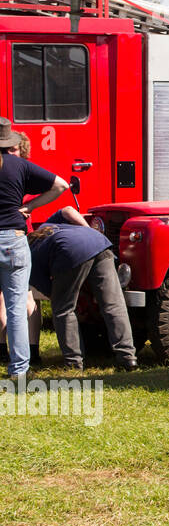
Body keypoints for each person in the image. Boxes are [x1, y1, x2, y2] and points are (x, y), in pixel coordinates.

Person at [27, 215, 138, 371]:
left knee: (62, 309)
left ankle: (74, 362)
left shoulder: (29, 257)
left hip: (71, 250)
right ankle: (128, 357)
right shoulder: (46, 227)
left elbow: (52, 294)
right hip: (99, 242)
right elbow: (67, 210)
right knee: (113, 305)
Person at [0, 118, 66, 377]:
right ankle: (19, 370)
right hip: (13, 240)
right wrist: (30, 206)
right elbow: (61, 185)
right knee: (16, 307)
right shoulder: (20, 165)